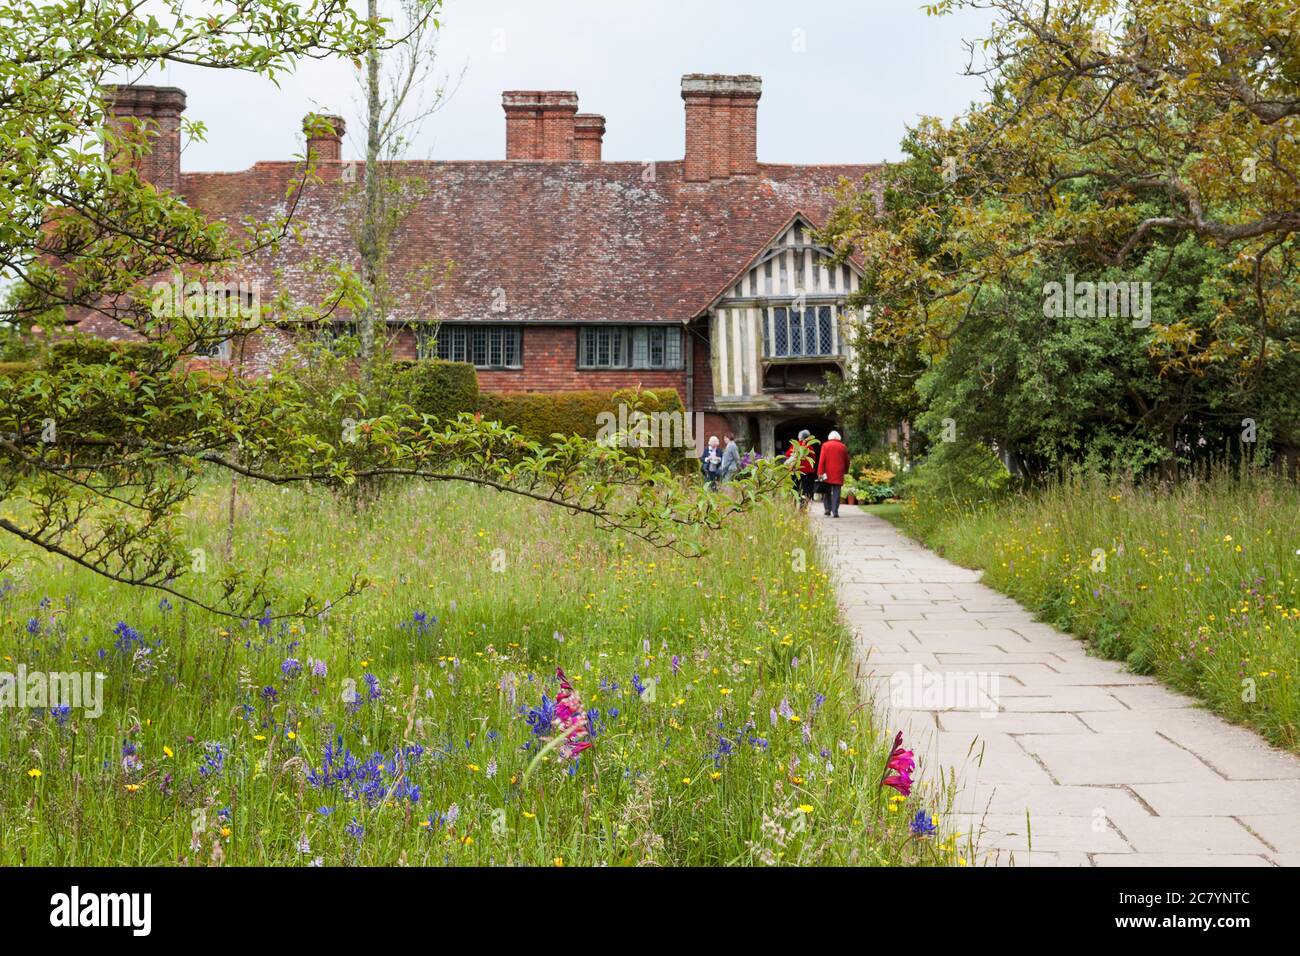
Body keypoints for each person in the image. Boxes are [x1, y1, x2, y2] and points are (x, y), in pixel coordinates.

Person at [816, 429, 850, 517]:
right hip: (838, 472)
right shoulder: (843, 446)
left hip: (827, 472)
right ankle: (835, 511)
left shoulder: (825, 445)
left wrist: (820, 472)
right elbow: (847, 461)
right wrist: (846, 470)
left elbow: (822, 459)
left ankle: (827, 509)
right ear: (839, 437)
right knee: (836, 492)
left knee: (826, 491)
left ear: (829, 437)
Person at [785, 429, 817, 509]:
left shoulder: (795, 445)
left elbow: (787, 454)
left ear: (799, 437)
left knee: (795, 489)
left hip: (796, 471)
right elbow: (813, 460)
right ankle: (803, 507)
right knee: (806, 490)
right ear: (808, 438)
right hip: (808, 473)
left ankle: (794, 505)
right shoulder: (809, 447)